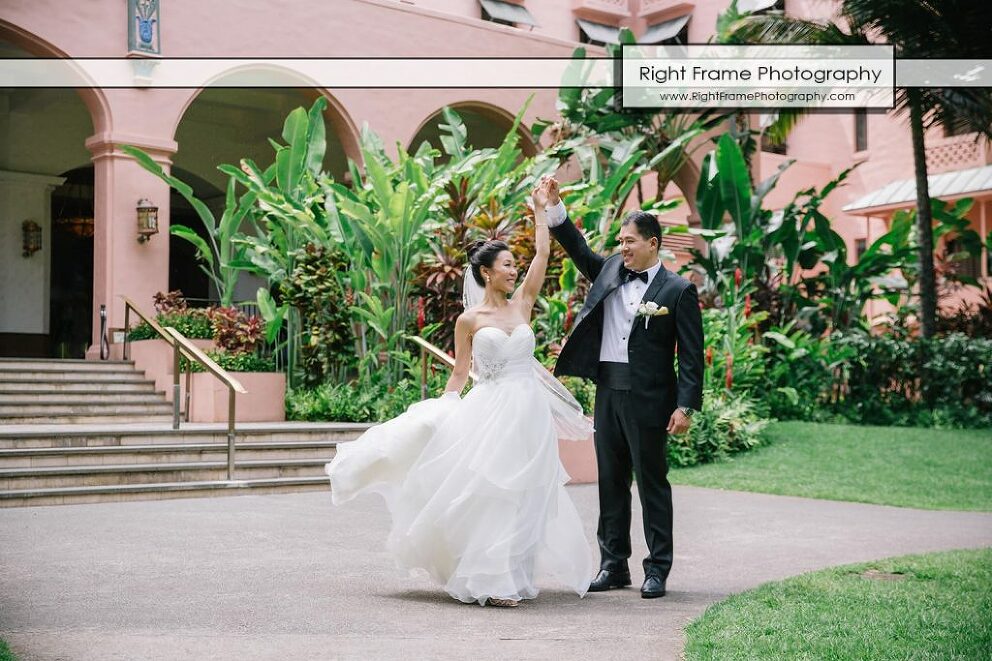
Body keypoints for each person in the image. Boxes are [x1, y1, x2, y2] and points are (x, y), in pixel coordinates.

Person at [325, 177, 593, 608]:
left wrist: (542, 209)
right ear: (487, 272)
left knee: (523, 494)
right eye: (507, 265)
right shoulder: (469, 320)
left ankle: (514, 574)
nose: (514, 270)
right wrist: (444, 408)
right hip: (491, 413)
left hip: (529, 415)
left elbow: (544, 253)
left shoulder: (524, 303)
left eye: (515, 265)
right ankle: (492, 579)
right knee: (492, 491)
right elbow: (461, 372)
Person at [542, 178, 704, 599]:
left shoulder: (678, 290)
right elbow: (578, 248)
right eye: (620, 240)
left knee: (652, 484)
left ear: (653, 243)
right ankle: (613, 565)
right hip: (608, 391)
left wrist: (685, 406)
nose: (623, 247)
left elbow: (691, 356)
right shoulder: (611, 269)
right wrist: (555, 206)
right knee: (611, 481)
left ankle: (657, 569)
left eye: (630, 241)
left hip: (649, 399)